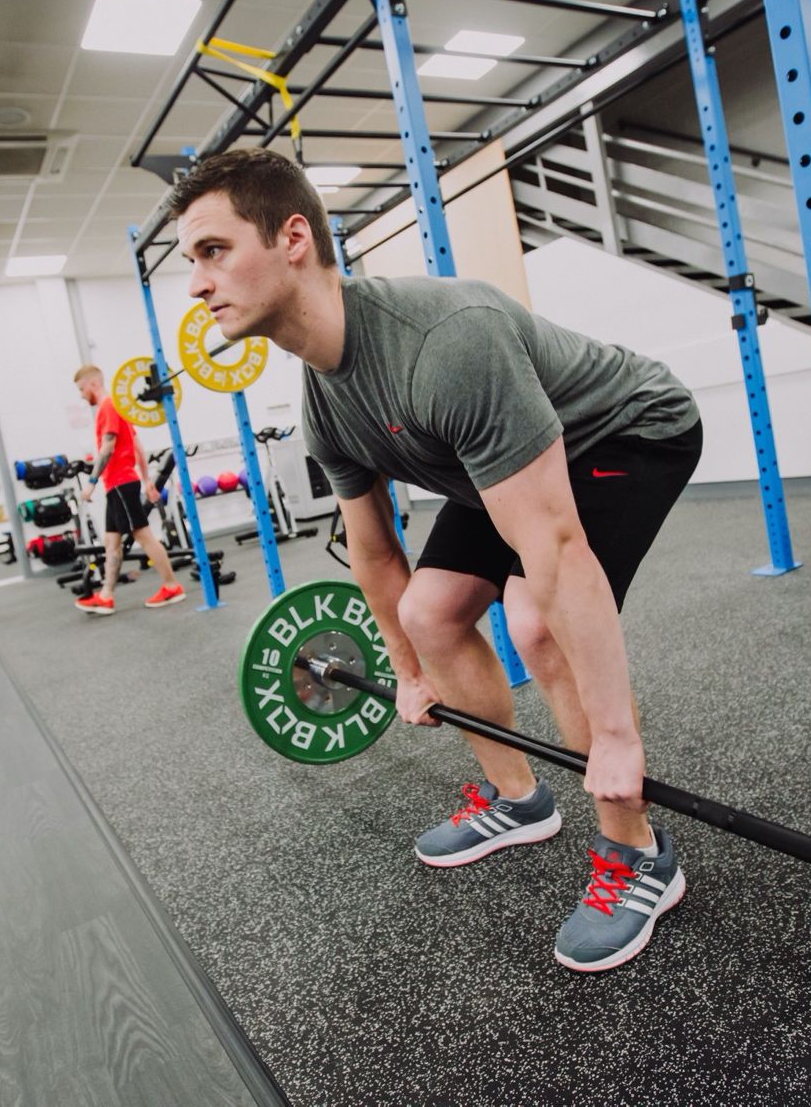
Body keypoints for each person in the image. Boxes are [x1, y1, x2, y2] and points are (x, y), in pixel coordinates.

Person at [170, 148, 702, 972]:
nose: (197, 285)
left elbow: (555, 548)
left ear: (293, 238)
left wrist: (614, 735)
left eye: (212, 251)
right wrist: (407, 669)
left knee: (535, 624)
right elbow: (376, 550)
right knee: (428, 613)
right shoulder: (323, 405)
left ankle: (638, 854)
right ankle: (520, 800)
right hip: (496, 465)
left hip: (626, 431)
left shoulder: (443, 342)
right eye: (190, 263)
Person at [70, 366, 186, 615]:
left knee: (143, 535)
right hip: (118, 484)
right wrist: (147, 481)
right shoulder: (117, 408)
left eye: (82, 389)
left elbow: (108, 447)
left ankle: (171, 585)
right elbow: (137, 447)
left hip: (121, 482)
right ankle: (106, 595)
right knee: (111, 542)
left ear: (93, 385)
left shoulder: (109, 406)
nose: (81, 395)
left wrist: (90, 482)